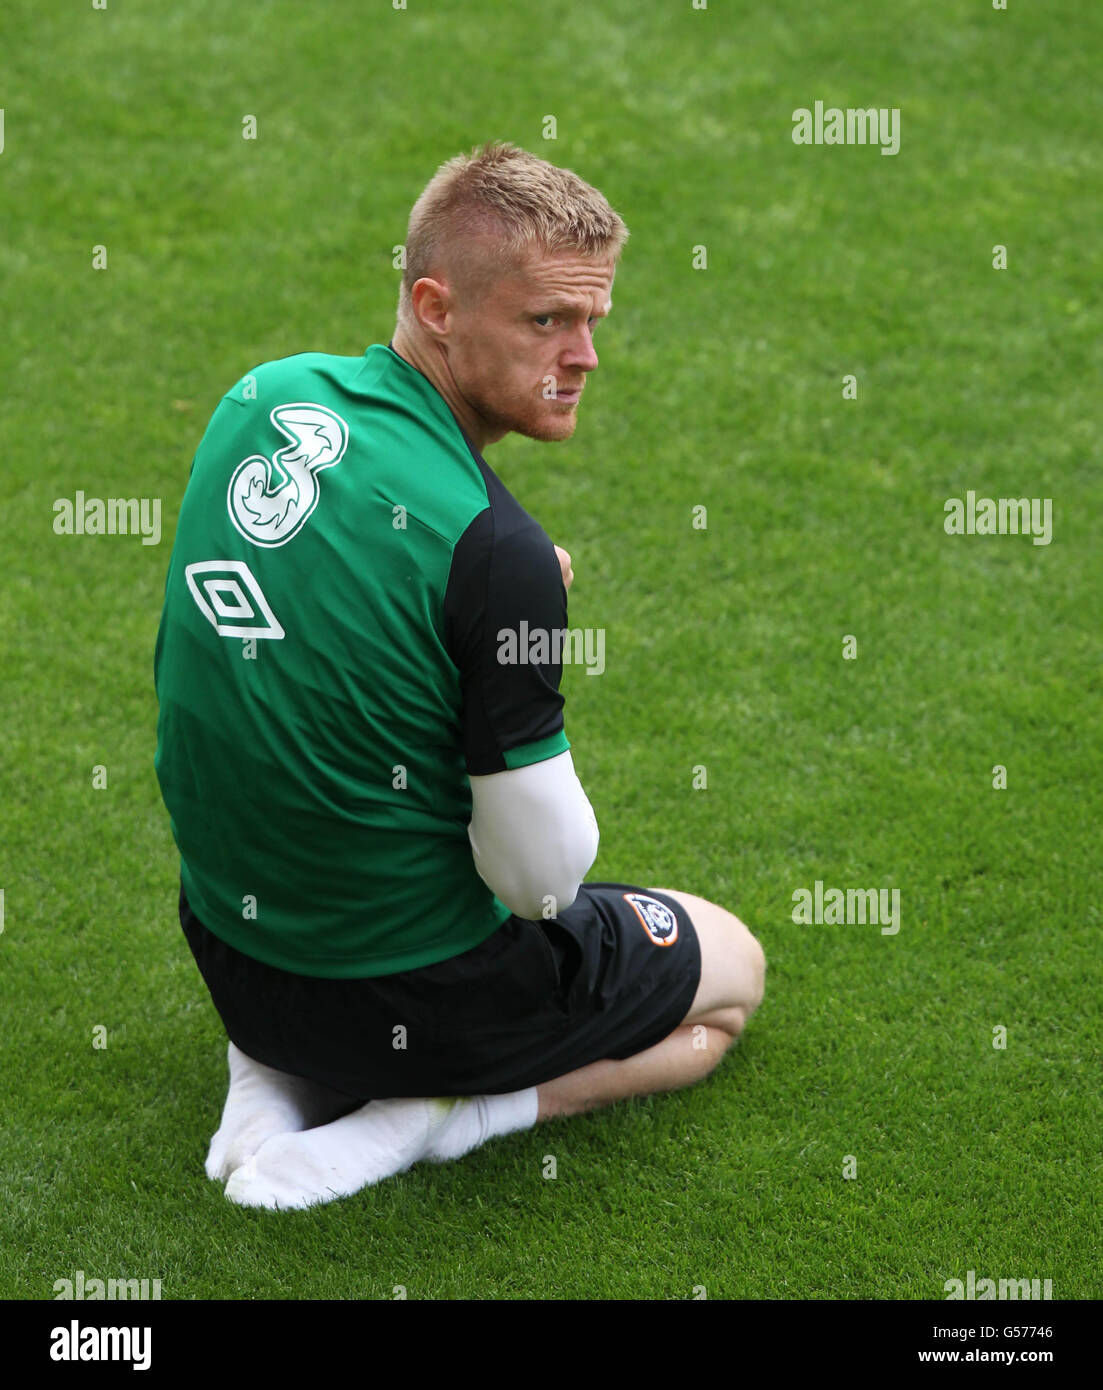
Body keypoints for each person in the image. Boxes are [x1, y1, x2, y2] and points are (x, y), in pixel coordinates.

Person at [153, 141, 765, 1210]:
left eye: (591, 322)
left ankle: (266, 1076)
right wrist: (526, 627)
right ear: (434, 305)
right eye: (545, 322)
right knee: (730, 972)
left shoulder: (260, 397)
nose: (582, 355)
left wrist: (492, 609)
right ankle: (437, 1115)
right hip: (409, 998)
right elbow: (538, 883)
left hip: (230, 946)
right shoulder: (498, 556)